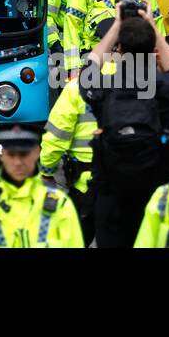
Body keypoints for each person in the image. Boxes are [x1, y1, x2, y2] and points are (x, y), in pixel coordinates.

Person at [81, 10, 169, 248]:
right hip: (156, 194)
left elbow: (88, 69)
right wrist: (153, 27)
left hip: (110, 197)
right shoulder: (164, 87)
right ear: (153, 52)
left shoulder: (105, 88)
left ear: (119, 50)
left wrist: (117, 25)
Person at [0, 125, 84, 247]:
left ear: (37, 152)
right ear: (1, 155)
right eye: (11, 154)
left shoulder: (61, 206)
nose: (18, 162)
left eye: (24, 154)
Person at [39, 71, 98, 243]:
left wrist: (46, 171)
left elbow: (57, 136)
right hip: (127, 183)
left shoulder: (77, 86)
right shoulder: (144, 82)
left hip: (85, 184)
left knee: (76, 239)